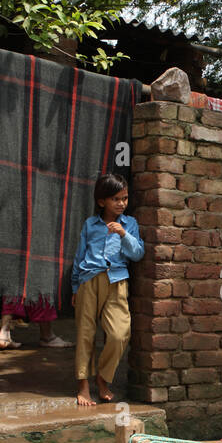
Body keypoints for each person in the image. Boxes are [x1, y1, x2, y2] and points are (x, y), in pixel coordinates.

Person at [72, 173, 143, 407]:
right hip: (89, 280)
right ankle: (83, 385)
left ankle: (103, 377)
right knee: (85, 333)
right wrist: (75, 286)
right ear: (102, 201)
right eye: (115, 199)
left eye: (124, 198)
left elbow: (137, 254)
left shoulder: (130, 224)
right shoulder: (90, 224)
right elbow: (79, 256)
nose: (121, 203)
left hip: (117, 281)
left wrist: (124, 235)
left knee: (119, 333)